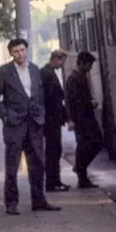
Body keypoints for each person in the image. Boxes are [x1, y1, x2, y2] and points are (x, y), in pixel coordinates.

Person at [0, 38, 60, 215]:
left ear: (27, 50)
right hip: (14, 124)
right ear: (11, 54)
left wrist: (40, 112)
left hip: (34, 123)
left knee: (37, 162)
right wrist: (5, 115)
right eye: (16, 51)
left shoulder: (35, 69)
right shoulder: (3, 72)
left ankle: (39, 200)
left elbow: (39, 93)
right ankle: (11, 202)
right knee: (12, 165)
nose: (20, 54)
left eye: (22, 50)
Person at [65, 51, 103, 189]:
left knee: (89, 145)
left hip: (86, 117)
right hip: (82, 119)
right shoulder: (73, 79)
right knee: (90, 144)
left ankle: (81, 172)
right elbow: (73, 101)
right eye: (89, 64)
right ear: (81, 63)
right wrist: (90, 103)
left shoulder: (80, 77)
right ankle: (81, 170)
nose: (90, 68)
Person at [39, 49, 71, 192]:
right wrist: (65, 116)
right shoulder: (48, 74)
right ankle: (53, 182)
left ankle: (55, 181)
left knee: (54, 151)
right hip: (51, 119)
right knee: (53, 151)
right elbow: (53, 99)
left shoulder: (46, 72)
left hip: (50, 118)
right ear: (57, 59)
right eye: (62, 61)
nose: (63, 64)